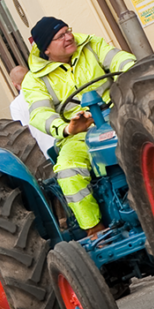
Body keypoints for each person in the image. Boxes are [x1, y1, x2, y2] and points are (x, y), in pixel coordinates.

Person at [22, 17, 134, 234]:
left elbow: (122, 60)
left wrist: (132, 70)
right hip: (78, 134)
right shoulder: (34, 80)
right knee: (67, 171)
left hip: (118, 114)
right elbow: (39, 113)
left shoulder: (92, 46)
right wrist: (67, 128)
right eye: (60, 36)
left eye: (68, 30)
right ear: (46, 49)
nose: (69, 37)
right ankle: (95, 230)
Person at [8, 66, 55, 154]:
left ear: (14, 84)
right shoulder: (46, 89)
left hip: (45, 146)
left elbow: (24, 129)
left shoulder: (15, 105)